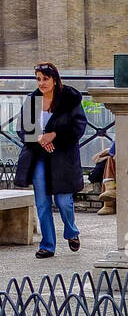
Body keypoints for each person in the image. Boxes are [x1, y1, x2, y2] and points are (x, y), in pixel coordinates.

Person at [14, 64, 85, 259]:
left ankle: (72, 232)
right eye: (38, 79)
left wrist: (54, 135)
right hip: (37, 155)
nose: (42, 83)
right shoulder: (32, 100)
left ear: (54, 79)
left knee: (63, 201)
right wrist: (39, 138)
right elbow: (22, 129)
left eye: (45, 79)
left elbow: (78, 127)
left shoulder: (69, 99)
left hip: (62, 156)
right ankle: (48, 245)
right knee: (42, 202)